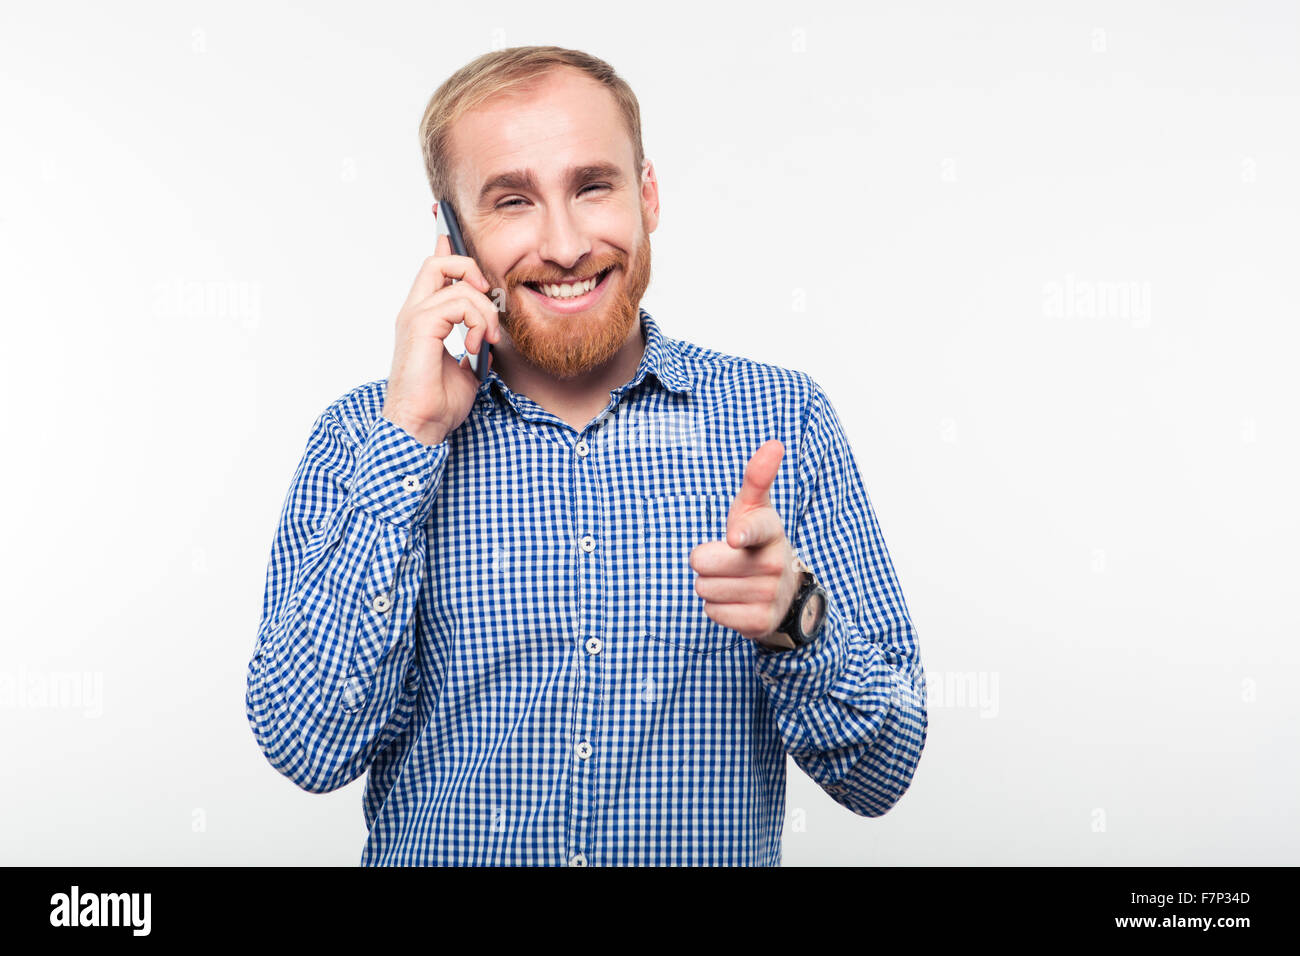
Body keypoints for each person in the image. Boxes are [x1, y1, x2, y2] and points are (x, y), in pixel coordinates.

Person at [245, 45, 927, 866]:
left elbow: (884, 772)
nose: (565, 245)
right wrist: (411, 441)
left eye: (593, 186)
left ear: (647, 195)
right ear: (450, 232)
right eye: (512, 201)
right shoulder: (365, 436)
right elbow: (307, 745)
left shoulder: (783, 420)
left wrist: (795, 619)